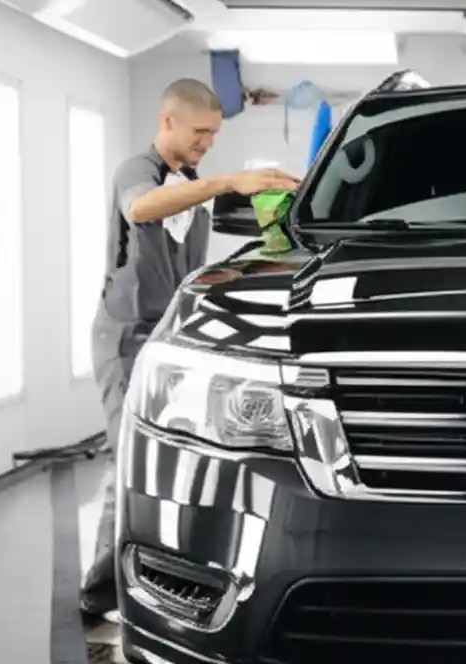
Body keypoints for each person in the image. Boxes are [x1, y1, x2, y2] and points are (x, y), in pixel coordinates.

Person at [80, 78, 300, 618]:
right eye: (201, 132)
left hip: (167, 339)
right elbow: (144, 209)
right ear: (169, 120)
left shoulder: (193, 183)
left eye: (214, 135)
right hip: (126, 335)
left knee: (168, 460)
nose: (207, 142)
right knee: (130, 457)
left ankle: (154, 580)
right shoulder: (141, 170)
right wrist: (227, 181)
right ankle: (100, 590)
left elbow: (192, 266)